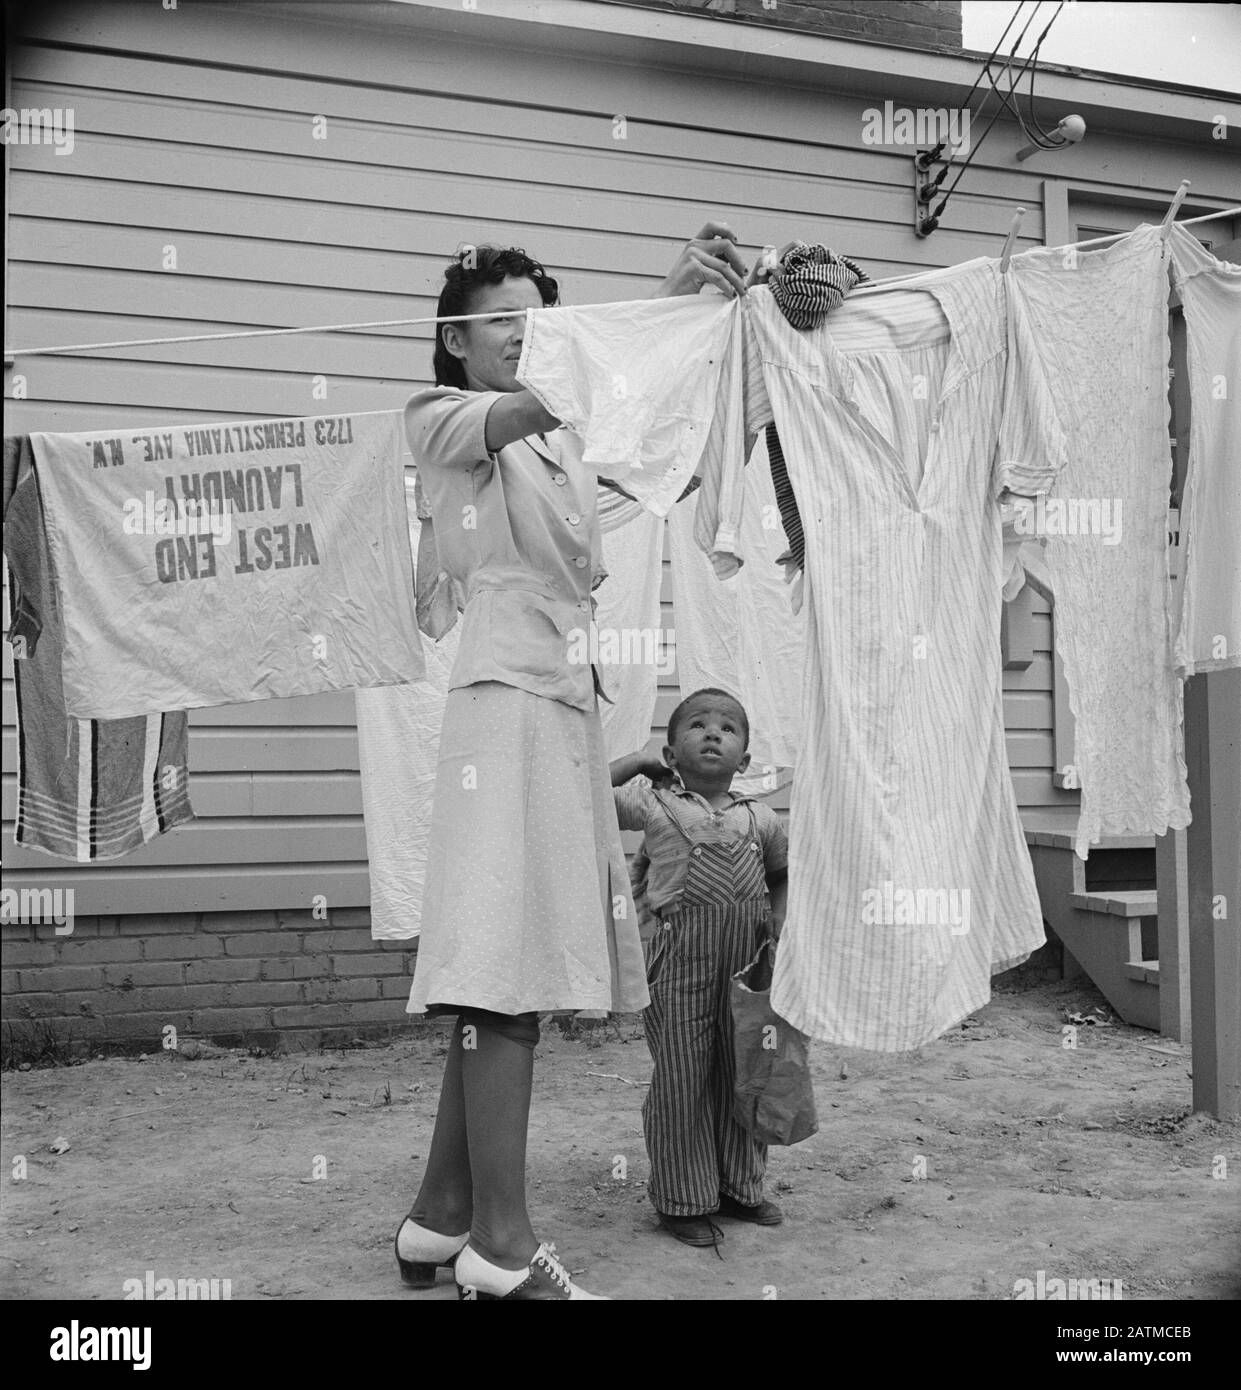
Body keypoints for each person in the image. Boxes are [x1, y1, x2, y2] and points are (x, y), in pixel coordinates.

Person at [394, 227, 750, 1301]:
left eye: (538, 321)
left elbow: (640, 436)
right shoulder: (445, 418)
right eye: (503, 319)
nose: (523, 336)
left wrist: (696, 319)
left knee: (509, 971)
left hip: (556, 706)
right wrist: (653, 304)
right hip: (502, 705)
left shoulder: (561, 450)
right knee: (501, 973)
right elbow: (552, 394)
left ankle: (438, 1218)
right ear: (456, 341)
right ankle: (500, 1247)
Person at [611, 687, 789, 1249]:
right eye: (697, 726)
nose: (713, 733)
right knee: (683, 1077)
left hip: (746, 968)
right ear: (671, 754)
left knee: (744, 1072)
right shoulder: (654, 805)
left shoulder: (760, 817)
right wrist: (636, 762)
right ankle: (681, 1198)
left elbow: (781, 875)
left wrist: (779, 922)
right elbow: (582, 795)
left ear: (745, 759)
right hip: (679, 967)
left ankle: (740, 1185)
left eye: (727, 728)